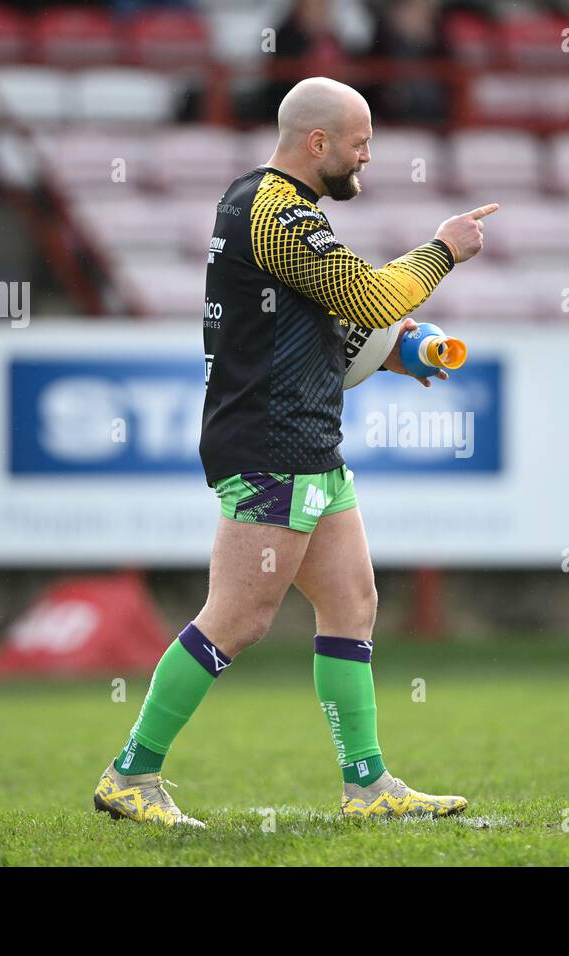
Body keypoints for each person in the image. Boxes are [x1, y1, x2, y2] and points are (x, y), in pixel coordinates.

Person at [93, 76, 498, 825]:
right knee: (237, 620)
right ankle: (130, 774)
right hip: (270, 447)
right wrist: (445, 249)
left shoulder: (262, 202)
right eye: (358, 145)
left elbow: (318, 326)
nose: (366, 159)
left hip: (309, 442)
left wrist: (398, 354)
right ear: (318, 143)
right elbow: (370, 299)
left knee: (353, 603)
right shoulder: (277, 215)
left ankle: (367, 785)